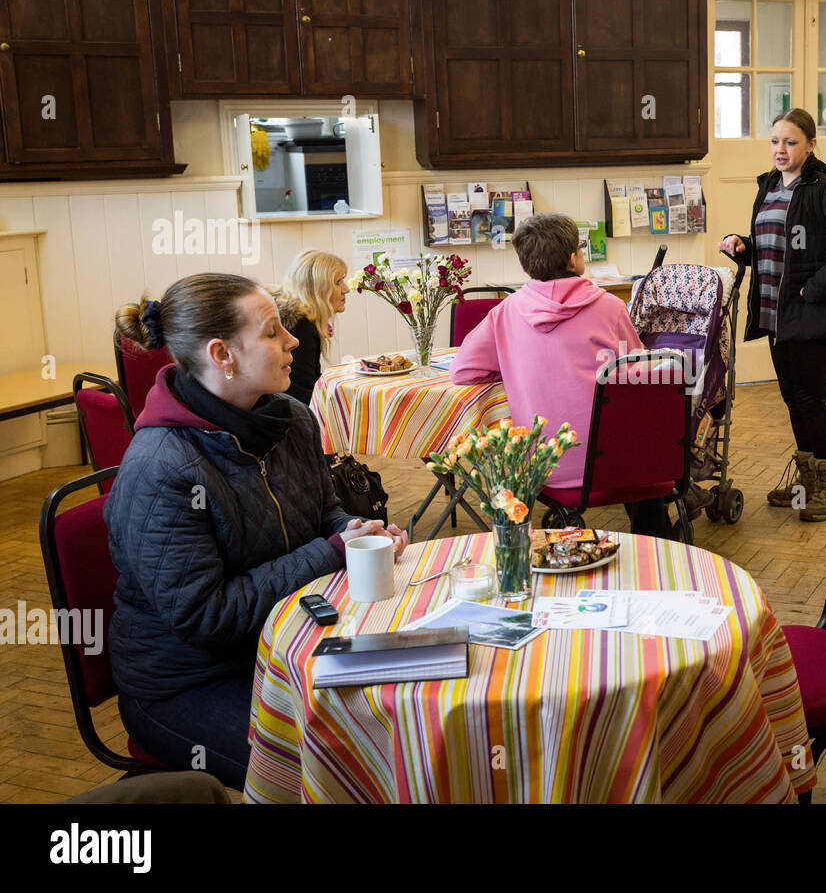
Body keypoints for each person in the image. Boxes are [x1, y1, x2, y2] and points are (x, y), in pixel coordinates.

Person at [105, 273, 408, 791]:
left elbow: (325, 514)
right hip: (192, 684)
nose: (293, 341)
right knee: (348, 769)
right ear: (223, 354)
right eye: (272, 332)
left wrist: (355, 532)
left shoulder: (290, 418)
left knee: (399, 726)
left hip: (288, 645)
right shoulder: (162, 468)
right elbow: (207, 616)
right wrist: (331, 551)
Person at [450, 213, 678, 539]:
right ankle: (657, 545)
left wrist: (513, 364)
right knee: (643, 429)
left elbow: (462, 370)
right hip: (615, 465)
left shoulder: (505, 313)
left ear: (526, 265)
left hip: (545, 467)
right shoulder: (611, 307)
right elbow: (636, 374)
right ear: (573, 258)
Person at [719, 108, 826, 523]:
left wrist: (819, 285)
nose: (781, 150)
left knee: (811, 400)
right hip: (776, 313)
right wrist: (744, 246)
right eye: (775, 142)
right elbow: (777, 244)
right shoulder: (769, 185)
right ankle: (807, 485)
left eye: (790, 142)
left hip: (815, 314)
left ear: (810, 145)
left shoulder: (823, 186)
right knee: (794, 400)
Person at [273, 248, 350, 406]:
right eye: (337, 282)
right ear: (316, 288)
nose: (346, 289)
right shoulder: (301, 326)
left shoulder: (303, 321)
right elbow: (302, 392)